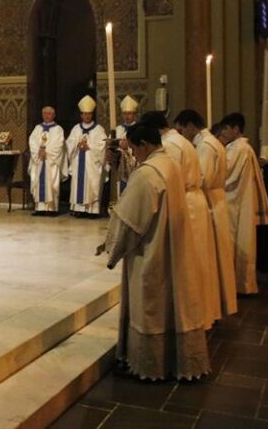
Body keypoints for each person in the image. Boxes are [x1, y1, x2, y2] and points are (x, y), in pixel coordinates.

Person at [98, 123, 210, 380]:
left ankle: (149, 364)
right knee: (170, 306)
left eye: (135, 150)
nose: (135, 155)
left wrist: (112, 248)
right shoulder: (169, 164)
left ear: (144, 145)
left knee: (151, 307)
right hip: (171, 244)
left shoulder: (148, 174)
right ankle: (171, 360)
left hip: (151, 252)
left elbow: (129, 220)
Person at [141, 111, 220, 328]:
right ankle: (201, 313)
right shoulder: (180, 141)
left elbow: (168, 179)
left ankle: (192, 317)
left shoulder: (171, 146)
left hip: (185, 203)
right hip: (193, 200)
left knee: (188, 265)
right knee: (198, 262)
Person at [174, 109, 237, 317]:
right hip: (215, 201)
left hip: (210, 202)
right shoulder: (211, 142)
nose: (183, 134)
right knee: (214, 259)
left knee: (207, 260)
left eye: (182, 129)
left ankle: (208, 308)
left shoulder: (206, 145)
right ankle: (215, 304)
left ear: (191, 125)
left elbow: (204, 178)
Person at [220, 112, 268, 293]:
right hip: (238, 199)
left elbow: (225, 174)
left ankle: (239, 284)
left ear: (236, 129)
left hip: (235, 202)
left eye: (226, 128)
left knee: (236, 243)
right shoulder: (242, 147)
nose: (224, 132)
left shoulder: (238, 148)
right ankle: (241, 283)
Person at [66, 96, 106, 216]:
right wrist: (77, 144)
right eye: (84, 114)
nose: (87, 116)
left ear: (92, 114)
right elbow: (69, 143)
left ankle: (91, 210)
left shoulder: (99, 130)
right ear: (81, 115)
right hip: (78, 162)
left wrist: (89, 147)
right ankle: (78, 209)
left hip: (91, 164)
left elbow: (102, 145)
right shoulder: (76, 129)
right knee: (78, 184)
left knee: (91, 185)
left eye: (89, 114)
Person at [28, 106, 66, 215]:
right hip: (39, 161)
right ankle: (39, 209)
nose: (46, 115)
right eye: (44, 113)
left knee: (51, 184)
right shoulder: (37, 128)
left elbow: (59, 144)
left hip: (51, 162)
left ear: (54, 115)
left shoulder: (58, 129)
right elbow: (32, 142)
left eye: (49, 113)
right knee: (38, 183)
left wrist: (47, 152)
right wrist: (38, 151)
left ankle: (51, 209)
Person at [115, 95, 139, 194]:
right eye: (125, 113)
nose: (127, 116)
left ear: (135, 114)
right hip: (120, 169)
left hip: (135, 168)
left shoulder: (139, 129)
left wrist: (128, 147)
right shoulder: (117, 130)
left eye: (130, 113)